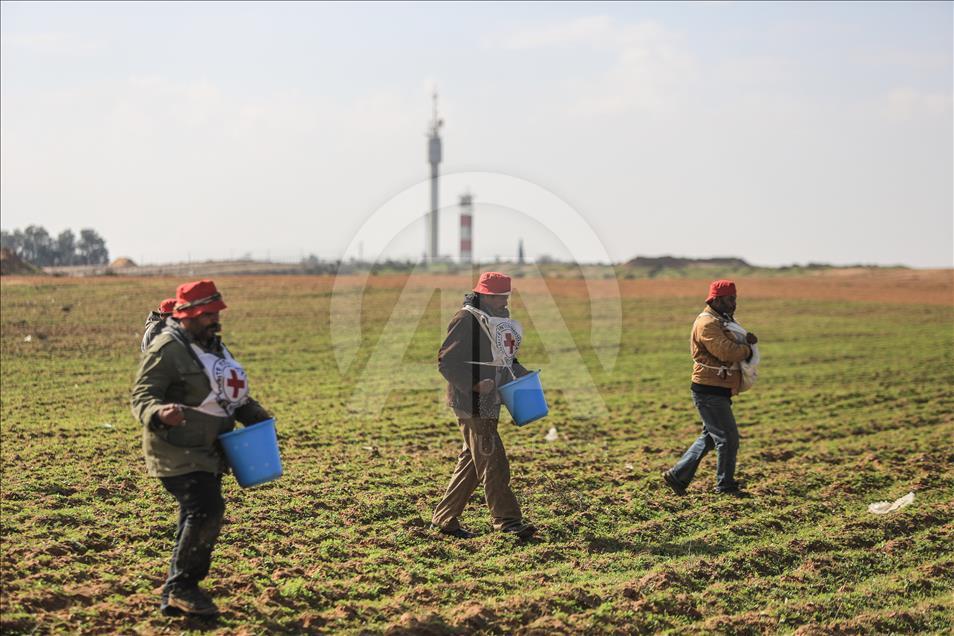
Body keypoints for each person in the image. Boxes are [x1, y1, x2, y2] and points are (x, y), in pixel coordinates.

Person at [131, 280, 272, 617]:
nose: (213, 319)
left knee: (194, 515)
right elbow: (142, 396)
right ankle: (184, 587)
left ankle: (173, 595)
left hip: (210, 449)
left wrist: (256, 416)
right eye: (206, 314)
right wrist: (159, 413)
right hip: (175, 448)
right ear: (186, 316)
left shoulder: (215, 349)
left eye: (215, 313)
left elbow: (230, 393)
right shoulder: (167, 348)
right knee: (206, 509)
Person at [431, 272, 538, 540]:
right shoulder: (465, 319)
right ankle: (508, 521)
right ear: (482, 294)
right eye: (496, 295)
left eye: (505, 295)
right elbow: (447, 363)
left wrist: (521, 373)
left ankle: (444, 520)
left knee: (473, 461)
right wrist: (476, 384)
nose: (502, 299)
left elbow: (504, 357)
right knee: (493, 460)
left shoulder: (497, 320)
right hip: (470, 401)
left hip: (491, 400)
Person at [663, 279, 758, 498]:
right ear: (716, 299)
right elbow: (727, 352)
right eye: (730, 299)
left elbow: (733, 344)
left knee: (709, 437)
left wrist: (745, 342)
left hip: (718, 388)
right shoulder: (708, 324)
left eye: (735, 298)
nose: (734, 303)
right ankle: (725, 486)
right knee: (728, 438)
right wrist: (747, 348)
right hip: (709, 389)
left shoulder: (722, 320)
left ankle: (677, 476)